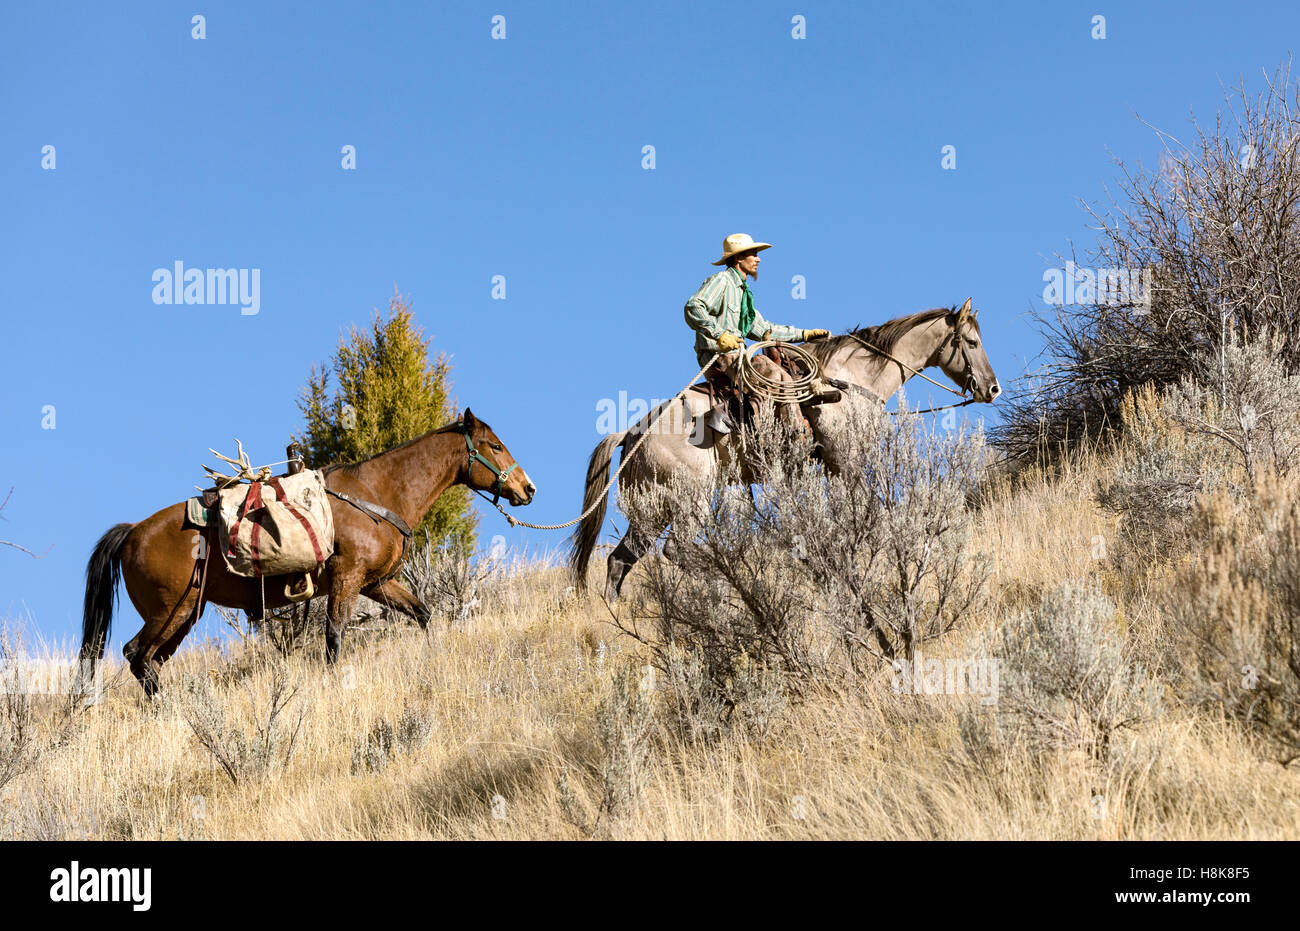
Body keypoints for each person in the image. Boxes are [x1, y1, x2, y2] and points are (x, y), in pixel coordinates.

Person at [684, 233, 832, 434]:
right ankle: (784, 435)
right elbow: (694, 306)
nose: (758, 258)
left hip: (737, 357)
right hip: (720, 357)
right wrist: (719, 334)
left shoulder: (743, 294)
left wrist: (804, 334)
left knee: (785, 372)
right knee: (774, 373)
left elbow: (764, 329)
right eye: (753, 254)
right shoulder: (723, 281)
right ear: (738, 258)